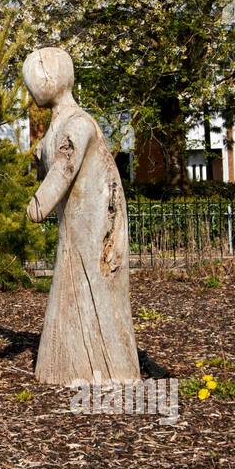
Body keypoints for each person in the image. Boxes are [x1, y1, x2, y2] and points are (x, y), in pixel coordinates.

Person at [23, 47, 139, 384]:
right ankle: (69, 363)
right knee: (72, 284)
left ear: (50, 78)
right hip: (73, 226)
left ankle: (105, 366)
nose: (30, 91)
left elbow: (65, 166)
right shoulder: (60, 124)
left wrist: (38, 203)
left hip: (94, 224)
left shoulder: (78, 123)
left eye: (33, 80)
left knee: (94, 284)